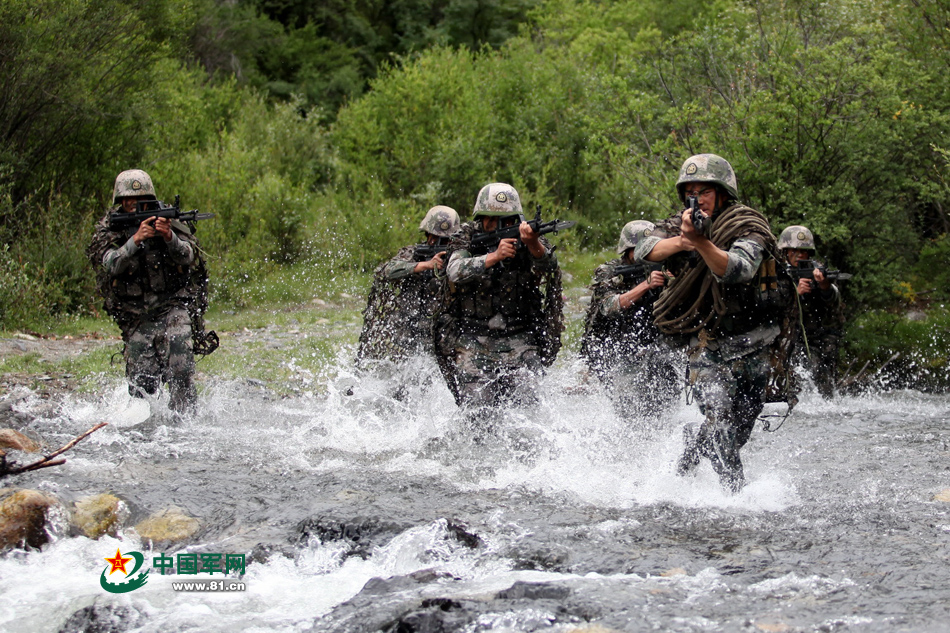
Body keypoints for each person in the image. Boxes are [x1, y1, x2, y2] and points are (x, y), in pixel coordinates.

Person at [634, 154, 789, 492]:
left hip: (754, 341)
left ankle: (692, 453)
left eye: (704, 191)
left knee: (740, 424)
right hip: (707, 342)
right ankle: (734, 496)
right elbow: (643, 249)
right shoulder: (681, 223)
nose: (697, 198)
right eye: (689, 191)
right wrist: (683, 242)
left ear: (722, 193)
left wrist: (702, 244)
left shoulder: (746, 225)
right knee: (719, 415)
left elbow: (738, 269)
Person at [432, 183, 564, 423]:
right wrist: (493, 257)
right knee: (478, 411)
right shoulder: (467, 235)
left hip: (520, 337)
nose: (501, 225)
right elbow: (454, 271)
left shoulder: (528, 235)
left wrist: (532, 243)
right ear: (481, 218)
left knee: (530, 402)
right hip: (473, 339)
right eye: (493, 219)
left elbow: (550, 266)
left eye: (507, 219)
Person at [87, 170, 212, 415]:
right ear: (119, 202)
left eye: (140, 200)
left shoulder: (167, 220)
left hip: (172, 306)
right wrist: (135, 240)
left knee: (181, 367)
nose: (134, 206)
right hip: (135, 315)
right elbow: (110, 264)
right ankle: (146, 428)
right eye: (128, 201)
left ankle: (185, 421)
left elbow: (189, 257)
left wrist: (169, 237)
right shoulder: (110, 229)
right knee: (142, 383)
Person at [580, 220, 680, 424]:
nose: (647, 255)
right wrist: (646, 285)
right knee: (630, 409)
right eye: (640, 250)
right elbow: (609, 305)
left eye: (651, 249)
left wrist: (674, 282)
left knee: (669, 399)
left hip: (653, 348)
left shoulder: (663, 267)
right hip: (615, 350)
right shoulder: (609, 271)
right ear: (627, 250)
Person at [356, 205, 461, 366]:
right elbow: (387, 271)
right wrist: (424, 265)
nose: (438, 243)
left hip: (445, 330)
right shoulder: (414, 253)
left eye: (446, 240)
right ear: (429, 236)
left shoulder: (459, 257)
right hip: (409, 327)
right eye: (435, 237)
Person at [778, 225, 845, 399]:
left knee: (824, 380)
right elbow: (772, 307)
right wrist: (796, 294)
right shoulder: (777, 273)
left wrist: (824, 286)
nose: (800, 254)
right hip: (789, 336)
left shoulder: (818, 270)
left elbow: (834, 302)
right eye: (795, 250)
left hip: (820, 336)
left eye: (804, 251)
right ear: (785, 251)